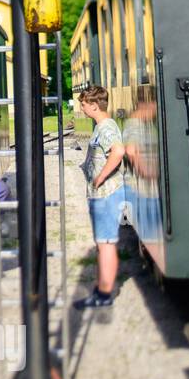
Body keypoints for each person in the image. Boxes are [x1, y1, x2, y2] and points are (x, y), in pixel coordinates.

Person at [74, 85, 126, 309]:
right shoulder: (103, 126)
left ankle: (104, 295)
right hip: (102, 196)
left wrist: (100, 178)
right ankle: (101, 289)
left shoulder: (106, 128)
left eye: (83, 105)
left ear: (94, 106)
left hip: (107, 195)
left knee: (106, 245)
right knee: (103, 243)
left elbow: (118, 151)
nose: (82, 108)